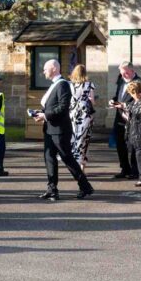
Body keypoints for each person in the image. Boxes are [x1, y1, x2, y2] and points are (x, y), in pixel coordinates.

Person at [34, 59, 94, 200]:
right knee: (49, 159)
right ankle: (52, 189)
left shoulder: (62, 85)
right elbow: (52, 106)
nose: (43, 72)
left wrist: (45, 115)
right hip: (50, 128)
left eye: (45, 69)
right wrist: (41, 113)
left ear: (54, 68)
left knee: (67, 159)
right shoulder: (54, 84)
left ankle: (85, 187)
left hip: (60, 129)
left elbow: (62, 108)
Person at [110, 61, 141, 178]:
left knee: (133, 144)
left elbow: (139, 101)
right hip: (119, 117)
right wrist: (113, 101)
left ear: (132, 71)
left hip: (133, 118)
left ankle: (135, 170)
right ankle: (125, 168)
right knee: (120, 144)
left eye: (126, 73)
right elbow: (118, 95)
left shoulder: (140, 82)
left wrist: (123, 105)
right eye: (122, 73)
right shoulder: (121, 81)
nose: (123, 75)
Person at [69, 64, 96, 172]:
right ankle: (82, 166)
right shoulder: (89, 84)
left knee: (73, 138)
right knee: (84, 139)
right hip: (85, 115)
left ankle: (73, 164)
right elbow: (93, 101)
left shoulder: (70, 85)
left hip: (72, 115)